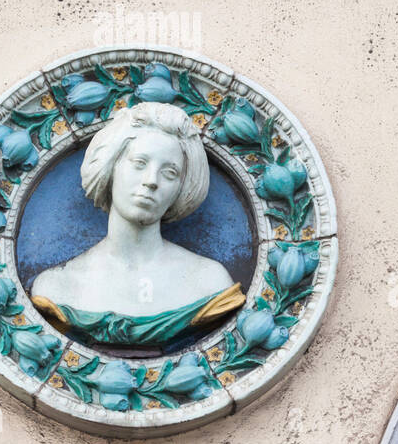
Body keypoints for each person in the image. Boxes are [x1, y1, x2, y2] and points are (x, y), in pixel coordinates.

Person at [31, 102, 242, 346]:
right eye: (139, 163)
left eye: (170, 173)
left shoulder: (210, 282)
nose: (151, 181)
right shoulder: (56, 287)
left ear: (181, 189)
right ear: (111, 168)